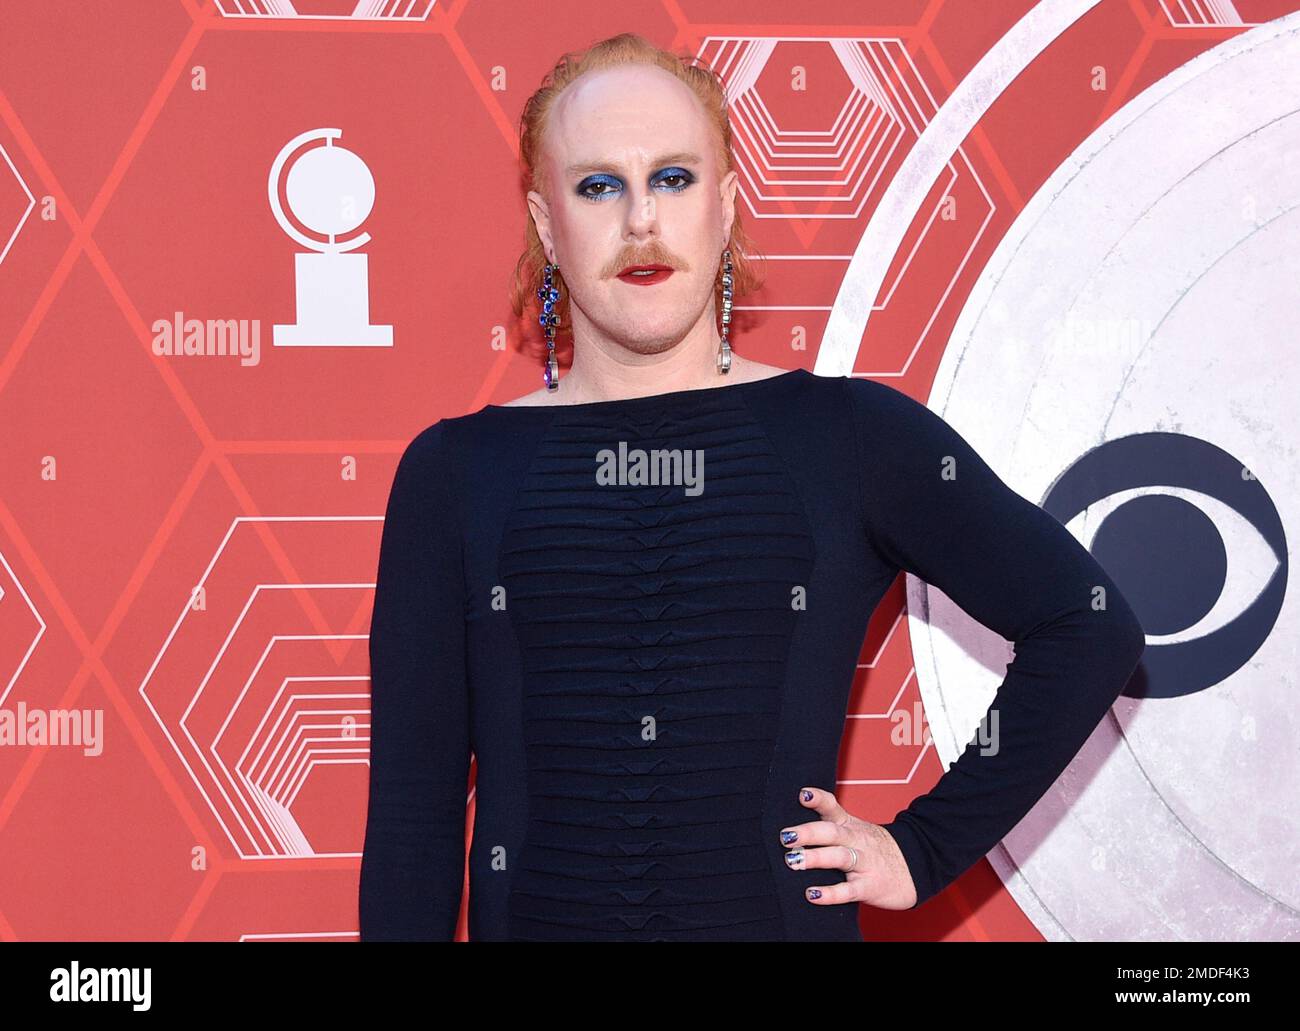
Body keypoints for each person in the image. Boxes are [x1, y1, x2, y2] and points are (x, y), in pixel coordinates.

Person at [357, 33, 1146, 941]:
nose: (641, 221)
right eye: (599, 185)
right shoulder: (452, 475)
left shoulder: (850, 437)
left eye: (675, 178)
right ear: (547, 224)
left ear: (726, 205)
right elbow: (414, 822)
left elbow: (1088, 625)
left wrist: (923, 849)